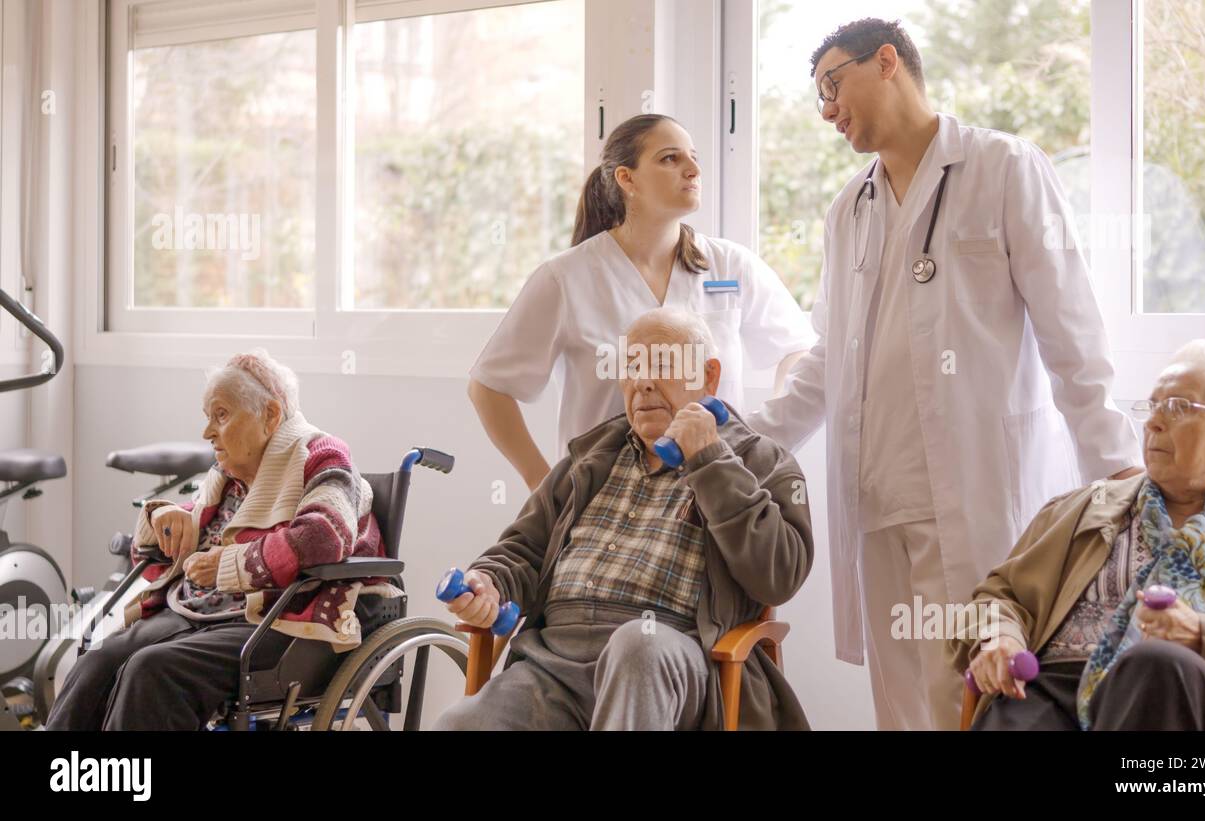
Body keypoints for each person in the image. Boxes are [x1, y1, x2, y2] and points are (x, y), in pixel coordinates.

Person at [746, 18, 1143, 730]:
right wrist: (741, 441)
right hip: (876, 496)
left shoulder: (1004, 167)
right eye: (819, 98)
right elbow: (828, 361)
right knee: (901, 704)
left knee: (970, 691)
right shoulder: (849, 210)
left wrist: (1119, 477)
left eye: (833, 85)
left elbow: (1072, 336)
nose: (828, 109)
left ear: (888, 61)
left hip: (970, 486)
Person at [436, 308, 813, 730]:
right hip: (553, 666)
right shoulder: (590, 459)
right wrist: (489, 582)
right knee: (461, 723)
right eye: (632, 367)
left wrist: (710, 462)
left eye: (663, 364)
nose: (644, 382)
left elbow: (779, 575)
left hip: (671, 658)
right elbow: (522, 551)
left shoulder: (759, 462)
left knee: (638, 644)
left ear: (708, 377)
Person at [951, 340, 1205, 731]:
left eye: (1179, 407)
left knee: (1156, 664)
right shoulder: (1081, 509)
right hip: (1059, 686)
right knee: (1017, 714)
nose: (1152, 423)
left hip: (1191, 693)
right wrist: (1001, 637)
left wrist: (1204, 633)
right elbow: (1000, 596)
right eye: (1152, 407)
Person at [46, 350, 393, 730]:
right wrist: (162, 517)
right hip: (205, 614)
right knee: (98, 662)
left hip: (285, 620)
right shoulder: (227, 478)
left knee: (154, 671)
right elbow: (153, 555)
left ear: (271, 415)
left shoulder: (321, 456)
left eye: (221, 415)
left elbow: (324, 536)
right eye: (208, 418)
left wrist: (230, 565)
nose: (207, 432)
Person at [470, 114, 815, 491]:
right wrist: (544, 485)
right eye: (670, 158)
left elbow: (798, 350)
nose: (693, 169)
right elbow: (489, 386)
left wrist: (763, 443)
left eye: (694, 157)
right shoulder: (566, 279)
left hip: (714, 495)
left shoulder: (732, 265)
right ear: (626, 179)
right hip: (604, 502)